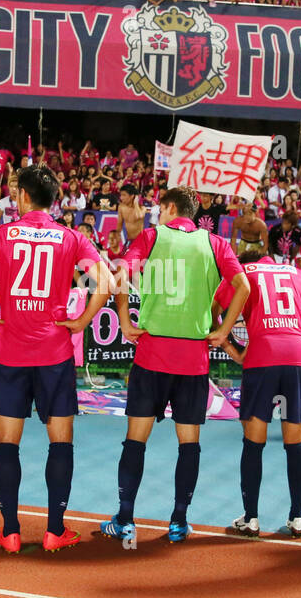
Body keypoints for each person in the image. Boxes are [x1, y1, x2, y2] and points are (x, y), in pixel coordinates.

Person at [0, 165, 112, 553]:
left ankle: (10, 532)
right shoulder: (71, 237)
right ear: (53, 199)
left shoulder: (0, 234)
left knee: (8, 441)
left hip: (10, 352)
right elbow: (105, 281)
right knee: (61, 440)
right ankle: (55, 530)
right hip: (55, 353)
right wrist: (81, 322)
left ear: (22, 196)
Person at [100, 186, 250, 544]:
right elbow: (242, 286)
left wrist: (124, 321)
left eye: (158, 208)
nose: (156, 213)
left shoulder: (151, 237)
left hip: (151, 355)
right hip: (193, 361)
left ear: (169, 208)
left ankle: (124, 519)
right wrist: (223, 330)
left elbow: (118, 275)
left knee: (135, 442)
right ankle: (178, 522)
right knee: (189, 445)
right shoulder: (216, 243)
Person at [217, 243, 301, 537]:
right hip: (297, 358)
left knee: (253, 443)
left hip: (261, 358)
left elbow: (213, 312)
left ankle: (252, 518)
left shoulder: (243, 272)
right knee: (295, 444)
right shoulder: (298, 273)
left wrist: (235, 351)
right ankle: (297, 517)